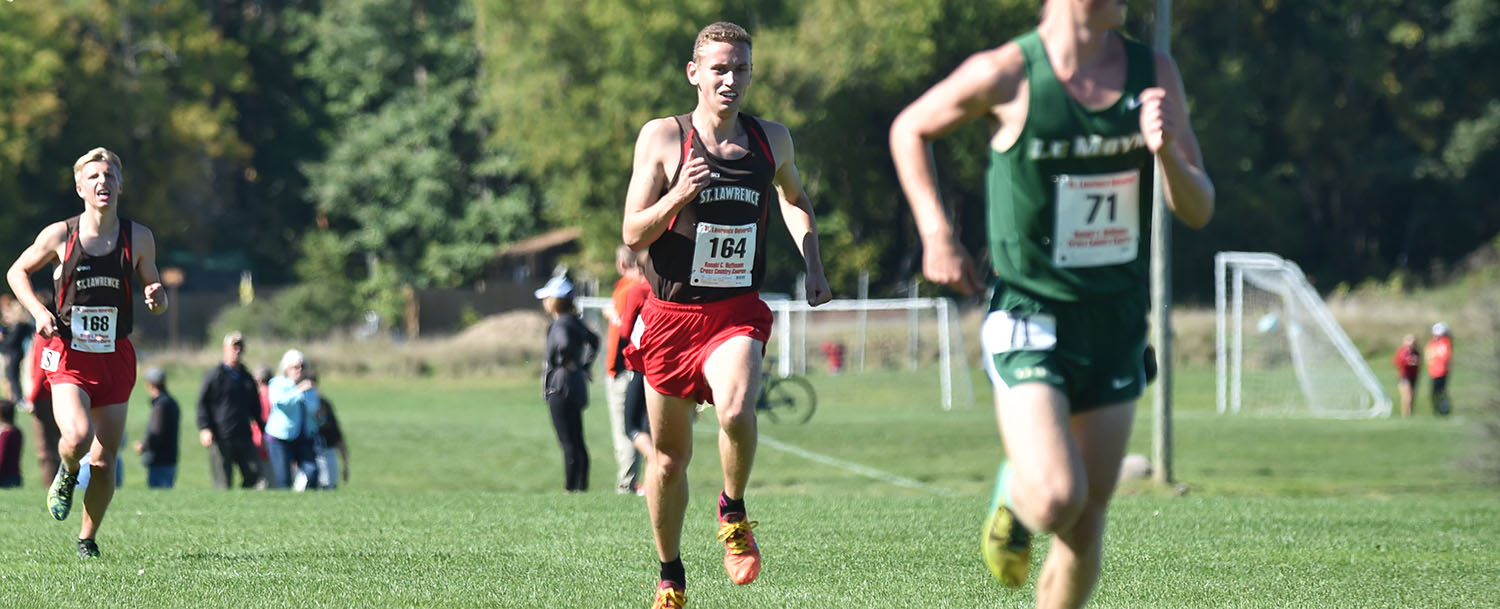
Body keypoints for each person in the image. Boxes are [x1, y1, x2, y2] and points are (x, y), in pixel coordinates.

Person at [890, 2, 1214, 606]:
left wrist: (1166, 149)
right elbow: (909, 128)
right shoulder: (1008, 73)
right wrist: (936, 234)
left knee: (1086, 522)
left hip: (1116, 322)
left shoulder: (1155, 71)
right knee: (1058, 497)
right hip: (1029, 315)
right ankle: (1016, 489)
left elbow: (1198, 207)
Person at [620, 21, 832, 608]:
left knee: (737, 408)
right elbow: (632, 232)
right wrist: (677, 197)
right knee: (668, 460)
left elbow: (794, 199)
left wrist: (812, 261)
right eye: (719, 68)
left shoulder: (771, 140)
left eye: (740, 68)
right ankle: (670, 572)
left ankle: (733, 511)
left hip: (735, 310)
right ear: (694, 73)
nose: (730, 79)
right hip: (669, 317)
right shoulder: (664, 139)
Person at [5, 147, 169, 558]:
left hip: (115, 356)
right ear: (80, 187)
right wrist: (38, 311)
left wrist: (157, 296)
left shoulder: (139, 237)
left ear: (120, 186)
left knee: (104, 461)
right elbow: (16, 272)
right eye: (95, 176)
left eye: (111, 176)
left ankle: (87, 539)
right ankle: (66, 469)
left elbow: (156, 293)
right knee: (77, 438)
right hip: (69, 355)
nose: (103, 183)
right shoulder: (62, 234)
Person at [537, 274, 599, 493]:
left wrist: (565, 360)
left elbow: (562, 343)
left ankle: (571, 488)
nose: (544, 302)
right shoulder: (576, 322)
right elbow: (594, 341)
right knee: (577, 440)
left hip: (561, 386)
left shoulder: (560, 324)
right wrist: (584, 366)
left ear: (555, 301)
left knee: (568, 442)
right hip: (576, 385)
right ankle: (580, 486)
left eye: (547, 298)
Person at [605, 245, 652, 494]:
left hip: (628, 367)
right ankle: (648, 479)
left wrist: (613, 316)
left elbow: (626, 332)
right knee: (647, 425)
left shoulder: (632, 289)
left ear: (623, 264)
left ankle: (629, 484)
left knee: (628, 428)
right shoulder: (654, 288)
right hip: (648, 367)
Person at [196, 331, 263, 489]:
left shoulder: (246, 377)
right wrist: (204, 428)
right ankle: (224, 510)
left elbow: (255, 407)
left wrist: (262, 430)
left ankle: (241, 503)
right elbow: (202, 403)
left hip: (243, 434)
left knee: (253, 473)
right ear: (225, 348)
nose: (237, 350)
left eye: (240, 347)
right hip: (221, 435)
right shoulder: (214, 375)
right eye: (234, 347)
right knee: (223, 483)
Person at [265, 349, 320, 490]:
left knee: (312, 472)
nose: (299, 370)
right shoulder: (277, 384)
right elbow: (280, 403)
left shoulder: (309, 387)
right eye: (295, 367)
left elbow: (314, 409)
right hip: (280, 438)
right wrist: (298, 391)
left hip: (303, 437)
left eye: (302, 366)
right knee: (283, 481)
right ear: (286, 368)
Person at [133, 367, 180, 488]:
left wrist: (143, 446)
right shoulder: (172, 402)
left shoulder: (161, 405)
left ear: (150, 385)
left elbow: (157, 433)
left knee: (160, 495)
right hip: (170, 459)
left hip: (160, 461)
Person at [1, 294, 34, 403]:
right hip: (14, 351)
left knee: (12, 375)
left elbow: (12, 341)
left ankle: (18, 398)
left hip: (15, 352)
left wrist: (3, 341)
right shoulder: (17, 325)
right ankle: (14, 397)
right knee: (10, 375)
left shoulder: (19, 325)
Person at [251, 365, 275, 488]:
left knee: (265, 481)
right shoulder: (276, 393)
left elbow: (263, 420)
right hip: (274, 442)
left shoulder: (262, 397)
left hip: (262, 442)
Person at [1425, 322, 1452, 416]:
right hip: (1433, 372)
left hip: (1442, 372)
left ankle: (1443, 410)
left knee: (1441, 392)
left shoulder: (1445, 342)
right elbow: (1428, 355)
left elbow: (1444, 356)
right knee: (1434, 393)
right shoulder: (1432, 343)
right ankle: (1437, 410)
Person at [1392, 334, 1421, 418]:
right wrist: (1407, 362)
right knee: (1407, 397)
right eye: (1408, 340)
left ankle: (1410, 414)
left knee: (1412, 396)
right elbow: (1396, 362)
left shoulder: (1416, 352)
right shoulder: (1402, 351)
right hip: (1404, 376)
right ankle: (1405, 415)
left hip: (1413, 376)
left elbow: (1419, 364)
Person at [0, 399, 22, 488]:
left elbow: (2, 458)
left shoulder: (6, 434)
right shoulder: (17, 432)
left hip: (5, 478)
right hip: (15, 476)